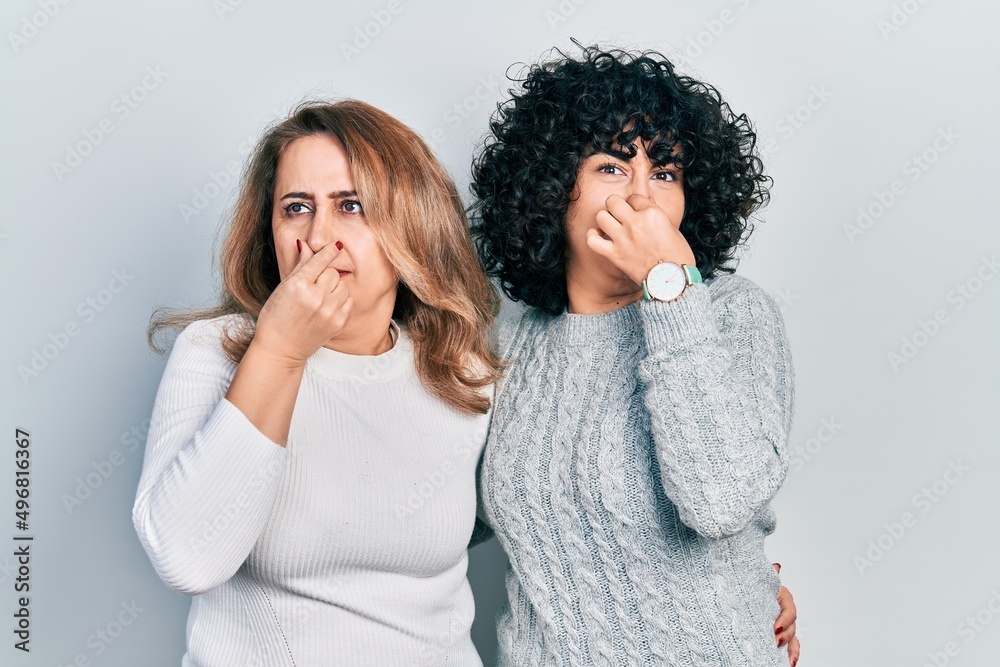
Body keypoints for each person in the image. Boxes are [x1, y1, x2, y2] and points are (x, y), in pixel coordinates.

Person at [133, 100, 504, 666]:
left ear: (410, 223)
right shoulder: (216, 352)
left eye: (351, 205)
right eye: (296, 207)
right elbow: (187, 559)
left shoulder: (461, 371)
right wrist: (279, 352)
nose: (318, 236)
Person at [470, 45, 801, 665]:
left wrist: (669, 284)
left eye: (667, 172)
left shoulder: (730, 313)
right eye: (614, 168)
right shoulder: (507, 342)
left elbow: (722, 502)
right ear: (552, 187)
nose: (644, 198)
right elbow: (437, 522)